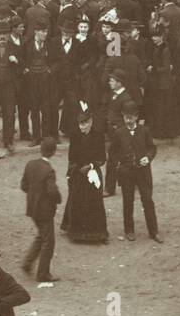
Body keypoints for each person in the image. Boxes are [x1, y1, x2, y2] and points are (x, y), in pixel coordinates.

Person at [109, 101, 160, 243]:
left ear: (137, 117)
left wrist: (147, 158)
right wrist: (120, 163)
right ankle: (129, 230)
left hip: (143, 172)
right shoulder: (119, 133)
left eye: (131, 117)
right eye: (126, 117)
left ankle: (153, 231)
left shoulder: (144, 131)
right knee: (128, 201)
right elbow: (112, 152)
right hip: (127, 173)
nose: (128, 120)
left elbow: (152, 148)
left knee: (147, 200)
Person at [60, 108, 108, 244]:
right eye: (80, 124)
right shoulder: (75, 136)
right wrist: (73, 170)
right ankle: (77, 233)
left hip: (93, 173)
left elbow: (102, 158)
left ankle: (98, 234)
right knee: (77, 200)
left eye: (85, 124)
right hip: (78, 173)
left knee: (95, 202)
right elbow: (71, 157)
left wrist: (91, 166)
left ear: (91, 122)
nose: (82, 127)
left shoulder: (98, 136)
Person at [20, 136, 61, 284]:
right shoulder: (49, 171)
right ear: (53, 152)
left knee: (42, 236)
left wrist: (34, 196)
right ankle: (43, 274)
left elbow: (24, 186)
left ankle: (27, 263)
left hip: (32, 209)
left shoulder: (30, 164)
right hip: (45, 211)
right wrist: (58, 198)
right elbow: (52, 192)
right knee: (48, 242)